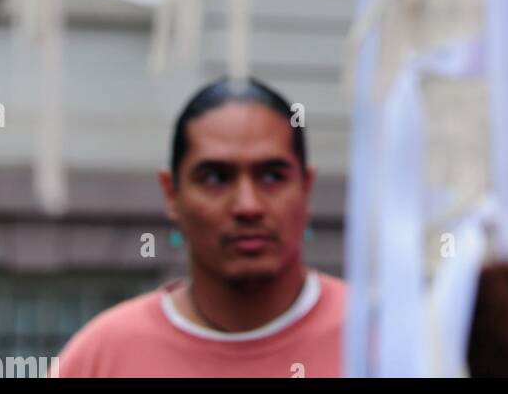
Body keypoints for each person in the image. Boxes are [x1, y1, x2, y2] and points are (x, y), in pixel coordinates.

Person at [57, 77, 344, 377]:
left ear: (306, 187)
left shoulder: (380, 337)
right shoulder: (102, 357)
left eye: (272, 177)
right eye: (215, 178)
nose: (247, 206)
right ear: (172, 193)